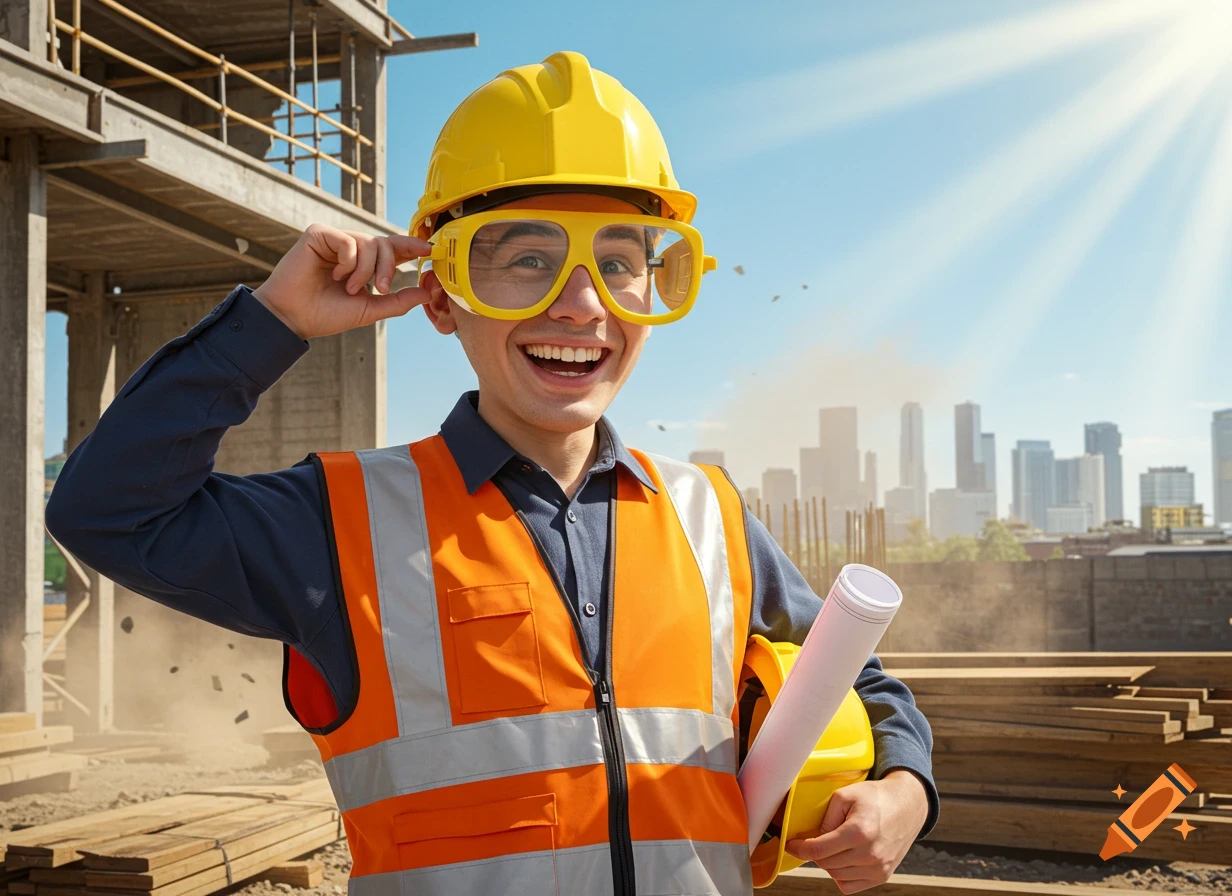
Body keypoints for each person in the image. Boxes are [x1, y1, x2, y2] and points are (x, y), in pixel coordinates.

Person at [47, 51, 936, 896]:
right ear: (441, 295)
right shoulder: (339, 524)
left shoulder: (710, 516)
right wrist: (272, 321)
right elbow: (107, 511)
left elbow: (857, 677)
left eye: (621, 264)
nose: (582, 302)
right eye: (528, 262)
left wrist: (906, 789)